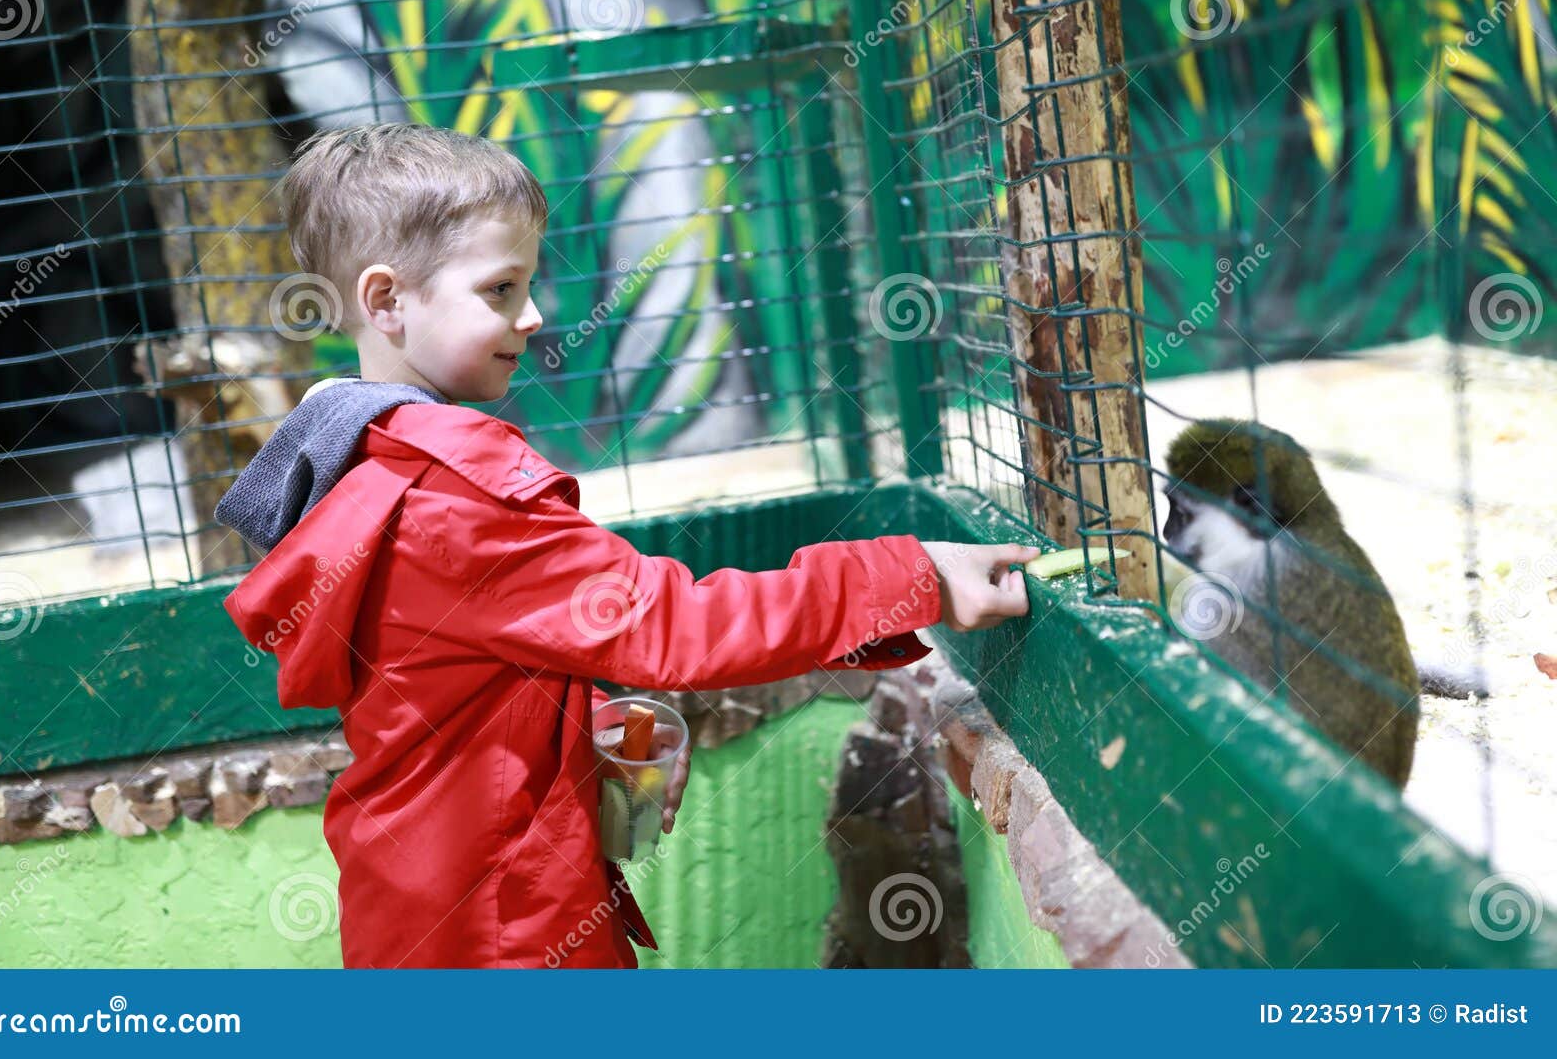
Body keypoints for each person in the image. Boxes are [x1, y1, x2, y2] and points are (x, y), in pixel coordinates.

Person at [216, 122, 1038, 968]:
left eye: (527, 284)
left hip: (419, 906)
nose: (532, 315)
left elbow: (440, 687)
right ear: (386, 300)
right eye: (499, 289)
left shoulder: (365, 466)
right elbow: (670, 624)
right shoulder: (455, 488)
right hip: (507, 933)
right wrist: (914, 574)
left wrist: (577, 726)